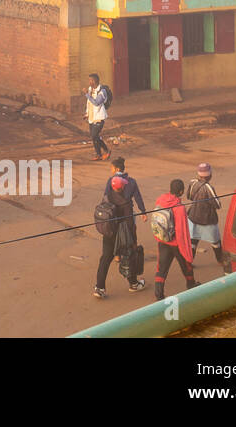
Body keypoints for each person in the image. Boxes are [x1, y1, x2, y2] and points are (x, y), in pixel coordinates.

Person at [94, 156, 146, 298]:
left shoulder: (109, 193)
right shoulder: (127, 202)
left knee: (105, 258)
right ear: (122, 187)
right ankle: (134, 284)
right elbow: (131, 223)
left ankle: (99, 288)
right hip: (124, 233)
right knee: (129, 256)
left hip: (109, 231)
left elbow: (103, 200)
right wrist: (143, 212)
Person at [151, 179, 198, 302]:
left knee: (161, 268)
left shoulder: (161, 199)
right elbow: (182, 231)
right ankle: (191, 284)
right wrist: (186, 249)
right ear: (181, 191)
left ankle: (159, 294)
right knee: (186, 264)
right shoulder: (179, 207)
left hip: (163, 240)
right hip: (176, 243)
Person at [186, 162, 232, 275]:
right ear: (209, 175)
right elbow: (217, 204)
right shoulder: (208, 188)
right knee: (215, 241)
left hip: (193, 216)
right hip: (207, 219)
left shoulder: (192, 183)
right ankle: (220, 260)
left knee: (193, 241)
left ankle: (188, 263)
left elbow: (189, 196)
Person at [84, 73, 111, 161]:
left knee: (94, 135)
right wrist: (87, 113)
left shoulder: (102, 91)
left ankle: (106, 150)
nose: (89, 82)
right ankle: (98, 154)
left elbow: (96, 103)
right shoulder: (90, 89)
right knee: (94, 137)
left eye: (90, 80)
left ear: (95, 81)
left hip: (99, 117)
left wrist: (87, 94)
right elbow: (89, 103)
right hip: (92, 117)